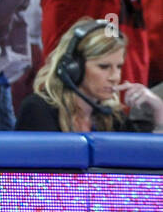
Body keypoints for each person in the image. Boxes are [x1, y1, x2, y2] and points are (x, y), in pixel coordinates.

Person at [17, 17, 163, 132]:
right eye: (104, 67)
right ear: (73, 67)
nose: (115, 77)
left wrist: (159, 111)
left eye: (119, 66)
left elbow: (147, 163)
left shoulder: (112, 117)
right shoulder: (38, 110)